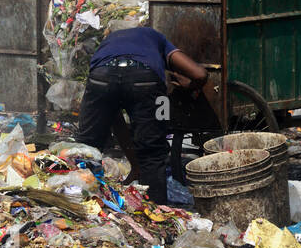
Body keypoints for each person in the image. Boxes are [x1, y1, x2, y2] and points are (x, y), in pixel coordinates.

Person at [74, 21, 208, 205]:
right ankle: (155, 215)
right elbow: (200, 74)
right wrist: (190, 85)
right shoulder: (156, 37)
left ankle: (79, 204)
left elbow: (114, 117)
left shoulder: (109, 41)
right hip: (145, 81)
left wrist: (134, 165)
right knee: (153, 152)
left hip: (101, 79)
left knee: (86, 148)